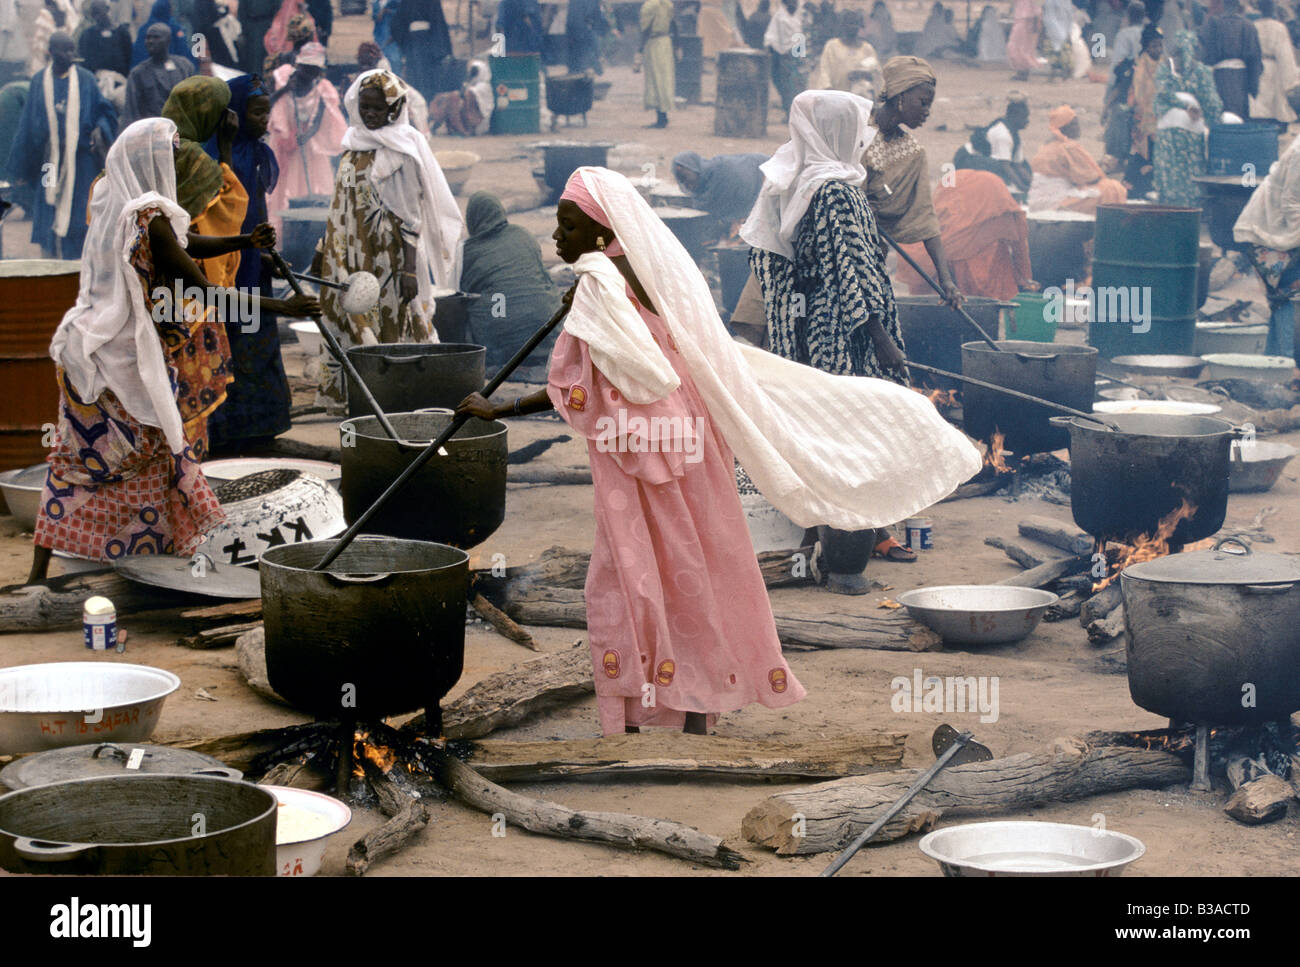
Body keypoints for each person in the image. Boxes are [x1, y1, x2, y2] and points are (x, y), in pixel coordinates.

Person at [457, 164, 980, 731]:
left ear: (603, 234)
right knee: (698, 564)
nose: (556, 239)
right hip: (692, 445)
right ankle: (693, 707)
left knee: (634, 577)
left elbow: (597, 385)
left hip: (644, 456)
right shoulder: (654, 278)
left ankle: (658, 708)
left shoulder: (600, 287)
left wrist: (500, 407)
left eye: (567, 226)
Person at [27, 117, 318, 583]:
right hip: (123, 362)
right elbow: (203, 289)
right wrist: (283, 305)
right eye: (172, 150)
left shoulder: (111, 197)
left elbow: (181, 246)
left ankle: (48, 572)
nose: (179, 157)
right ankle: (179, 567)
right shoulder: (147, 217)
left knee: (76, 463)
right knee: (161, 453)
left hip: (86, 350)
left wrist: (242, 241)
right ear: (151, 160)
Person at [748, 91, 913, 583]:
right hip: (845, 333)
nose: (864, 137)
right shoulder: (836, 190)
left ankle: (816, 536)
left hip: (805, 331)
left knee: (814, 432)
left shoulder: (795, 179)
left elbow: (765, 259)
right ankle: (847, 558)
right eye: (857, 129)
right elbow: (853, 275)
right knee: (852, 435)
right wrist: (883, 340)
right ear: (840, 133)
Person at [310, 69, 466, 405]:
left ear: (394, 110)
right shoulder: (352, 145)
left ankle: (394, 396)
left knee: (393, 321)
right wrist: (324, 248)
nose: (369, 114)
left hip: (388, 258)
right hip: (348, 255)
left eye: (377, 109)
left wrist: (409, 270)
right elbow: (340, 205)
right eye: (364, 107)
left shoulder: (401, 153)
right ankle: (357, 399)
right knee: (349, 318)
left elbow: (410, 216)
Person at [202, 74, 291, 455]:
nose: (264, 120)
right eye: (256, 112)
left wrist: (266, 255)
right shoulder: (212, 157)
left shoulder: (255, 152)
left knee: (256, 344)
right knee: (229, 343)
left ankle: (259, 430)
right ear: (234, 113)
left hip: (253, 263)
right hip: (222, 266)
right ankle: (226, 434)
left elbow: (257, 211)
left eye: (267, 112)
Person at [864, 56, 962, 311]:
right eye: (923, 102)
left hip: (869, 259)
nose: (927, 111)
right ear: (900, 97)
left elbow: (925, 217)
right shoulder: (853, 126)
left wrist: (946, 279)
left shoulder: (912, 153)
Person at [7, 33, 115, 260]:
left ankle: (78, 265)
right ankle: (50, 262)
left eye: (71, 51)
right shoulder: (39, 81)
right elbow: (27, 124)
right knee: (48, 207)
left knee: (80, 214)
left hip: (81, 160)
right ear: (50, 52)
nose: (69, 55)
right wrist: (20, 167)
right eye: (63, 51)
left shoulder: (85, 80)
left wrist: (99, 129)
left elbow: (104, 111)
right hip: (50, 162)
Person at [459, 191, 563, 375]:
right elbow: (543, 277)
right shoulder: (523, 235)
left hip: (500, 342)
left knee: (471, 308)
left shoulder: (467, 251)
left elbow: (462, 294)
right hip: (545, 333)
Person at [896, 169, 1036, 301]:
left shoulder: (956, 182)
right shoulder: (995, 191)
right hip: (976, 268)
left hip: (939, 257)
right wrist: (1024, 277)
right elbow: (1019, 241)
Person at [265, 41, 346, 227]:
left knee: (314, 192)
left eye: (314, 69)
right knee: (283, 190)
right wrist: (285, 89)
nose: (309, 73)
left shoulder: (322, 89)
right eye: (306, 68)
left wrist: (307, 135)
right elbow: (266, 104)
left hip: (309, 149)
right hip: (284, 148)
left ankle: (311, 233)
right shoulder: (283, 81)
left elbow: (318, 118)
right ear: (299, 66)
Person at [1234, 133, 1300, 359]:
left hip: (1286, 233)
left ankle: (1276, 367)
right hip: (1272, 231)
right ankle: (1286, 368)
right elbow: (1291, 202)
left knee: (1284, 301)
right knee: (1289, 297)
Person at [1153, 29, 1221, 207]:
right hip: (1191, 124)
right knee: (1190, 166)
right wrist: (1214, 122)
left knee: (1168, 166)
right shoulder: (1201, 72)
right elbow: (1211, 101)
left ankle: (1168, 204)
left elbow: (1162, 93)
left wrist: (1180, 105)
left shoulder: (1164, 68)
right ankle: (1190, 205)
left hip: (1166, 124)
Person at [1029, 104, 1128, 212]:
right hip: (1057, 200)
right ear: (1065, 127)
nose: (1078, 127)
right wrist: (1107, 167)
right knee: (1112, 188)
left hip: (1037, 199)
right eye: (1074, 124)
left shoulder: (1048, 145)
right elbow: (1089, 178)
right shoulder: (1068, 146)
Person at [671, 150, 768, 234]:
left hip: (762, 172)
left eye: (688, 180)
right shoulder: (707, 186)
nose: (688, 186)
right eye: (683, 181)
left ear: (695, 170)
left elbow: (735, 205)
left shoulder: (721, 175)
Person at [954, 94, 1033, 195]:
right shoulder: (1003, 135)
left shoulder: (1014, 133)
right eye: (1024, 117)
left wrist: (1033, 184)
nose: (1027, 121)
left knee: (1024, 164)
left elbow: (1018, 165)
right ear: (1013, 117)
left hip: (985, 158)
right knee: (999, 171)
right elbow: (1005, 166)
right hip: (966, 159)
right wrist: (1023, 188)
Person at [123, 22, 196, 125]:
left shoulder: (184, 66)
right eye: (148, 38)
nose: (150, 41)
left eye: (156, 37)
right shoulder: (138, 74)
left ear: (168, 40)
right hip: (153, 131)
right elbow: (131, 112)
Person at [1198, 0, 1260, 119]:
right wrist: (1253, 85)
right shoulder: (1248, 25)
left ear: (1223, 5)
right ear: (1238, 6)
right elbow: (1254, 58)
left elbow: (1204, 52)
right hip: (1241, 77)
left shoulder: (1213, 23)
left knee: (1221, 112)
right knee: (1239, 114)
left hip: (1219, 76)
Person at [1126, 23, 1163, 197]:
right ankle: (1135, 189)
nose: (1158, 49)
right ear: (1146, 46)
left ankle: (1151, 187)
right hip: (1144, 119)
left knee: (1156, 155)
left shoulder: (1163, 64)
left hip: (1160, 118)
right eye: (1154, 45)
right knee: (1142, 155)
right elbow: (1139, 94)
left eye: (1160, 45)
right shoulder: (1140, 67)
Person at [808, 9, 882, 94]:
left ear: (860, 25)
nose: (853, 26)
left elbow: (877, 75)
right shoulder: (832, 46)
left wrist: (862, 75)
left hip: (861, 98)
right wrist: (829, 91)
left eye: (855, 23)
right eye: (849, 23)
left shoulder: (867, 49)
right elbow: (824, 71)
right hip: (837, 96)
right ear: (842, 25)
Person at [394, 0, 453, 100]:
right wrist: (444, 48)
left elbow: (398, 22)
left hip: (414, 42)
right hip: (429, 41)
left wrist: (404, 42)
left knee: (417, 78)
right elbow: (438, 20)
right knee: (427, 78)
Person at [1250, 0, 1297, 123]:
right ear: (1273, 8)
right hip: (1273, 67)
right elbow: (1284, 54)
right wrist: (1290, 81)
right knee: (1273, 103)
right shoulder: (1279, 27)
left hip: (1256, 67)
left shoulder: (1253, 25)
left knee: (1258, 101)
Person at [428, 59, 492, 136]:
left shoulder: (483, 86)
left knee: (452, 99)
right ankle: (437, 123)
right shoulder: (470, 84)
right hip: (463, 111)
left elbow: (467, 96)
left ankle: (461, 129)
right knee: (444, 99)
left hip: (476, 118)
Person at [765, 0, 804, 118]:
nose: (792, 5)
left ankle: (793, 113)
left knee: (795, 86)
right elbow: (771, 37)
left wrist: (798, 55)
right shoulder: (779, 17)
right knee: (783, 86)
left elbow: (801, 37)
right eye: (789, 3)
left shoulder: (801, 17)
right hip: (781, 56)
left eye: (794, 3)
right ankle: (788, 111)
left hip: (795, 57)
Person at [639, 0, 674, 128]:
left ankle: (661, 118)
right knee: (665, 80)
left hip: (654, 44)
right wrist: (678, 45)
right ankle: (663, 116)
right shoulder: (668, 4)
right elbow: (673, 24)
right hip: (666, 43)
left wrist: (639, 49)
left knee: (655, 80)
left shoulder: (649, 6)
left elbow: (646, 30)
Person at [79, 0, 133, 78]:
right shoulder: (88, 35)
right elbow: (86, 61)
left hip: (121, 78)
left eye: (99, 12)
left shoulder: (122, 32)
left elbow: (128, 56)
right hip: (98, 79)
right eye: (94, 14)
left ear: (107, 9)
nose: (97, 16)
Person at [131, 0, 192, 68]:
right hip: (170, 68)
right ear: (168, 10)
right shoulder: (174, 28)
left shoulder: (144, 29)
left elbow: (138, 55)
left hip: (145, 70)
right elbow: (183, 51)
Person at [566, 0, 609, 74]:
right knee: (586, 40)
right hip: (581, 26)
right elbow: (593, 13)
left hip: (576, 26)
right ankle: (592, 61)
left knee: (580, 43)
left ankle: (577, 67)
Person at [239, 0, 278, 74]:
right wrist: (245, 28)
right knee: (252, 60)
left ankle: (265, 83)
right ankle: (255, 84)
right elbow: (242, 9)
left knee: (266, 58)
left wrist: (273, 26)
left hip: (267, 25)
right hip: (251, 26)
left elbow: (277, 7)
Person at [1006, 0, 1041, 79]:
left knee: (1023, 48)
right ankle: (1021, 71)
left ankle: (1023, 72)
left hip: (1028, 20)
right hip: (1020, 19)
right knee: (1014, 47)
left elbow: (1036, 8)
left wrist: (1037, 21)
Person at [372, 0, 402, 75]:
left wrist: (387, 11)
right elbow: (374, 17)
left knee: (395, 60)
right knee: (381, 59)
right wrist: (378, 15)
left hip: (392, 35)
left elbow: (400, 13)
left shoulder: (395, 1)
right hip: (380, 36)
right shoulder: (376, 3)